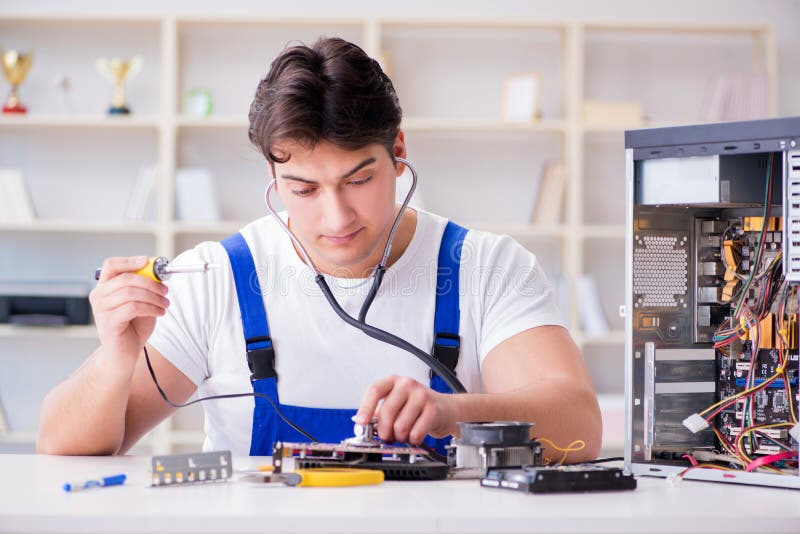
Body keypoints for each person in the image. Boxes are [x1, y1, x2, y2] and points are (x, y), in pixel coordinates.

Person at [37, 37, 602, 462]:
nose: (337, 219)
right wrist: (115, 356)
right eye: (304, 190)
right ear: (273, 175)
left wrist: (455, 412)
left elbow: (578, 424)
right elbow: (60, 447)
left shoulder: (485, 267)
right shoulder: (219, 276)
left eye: (358, 180)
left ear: (398, 152)